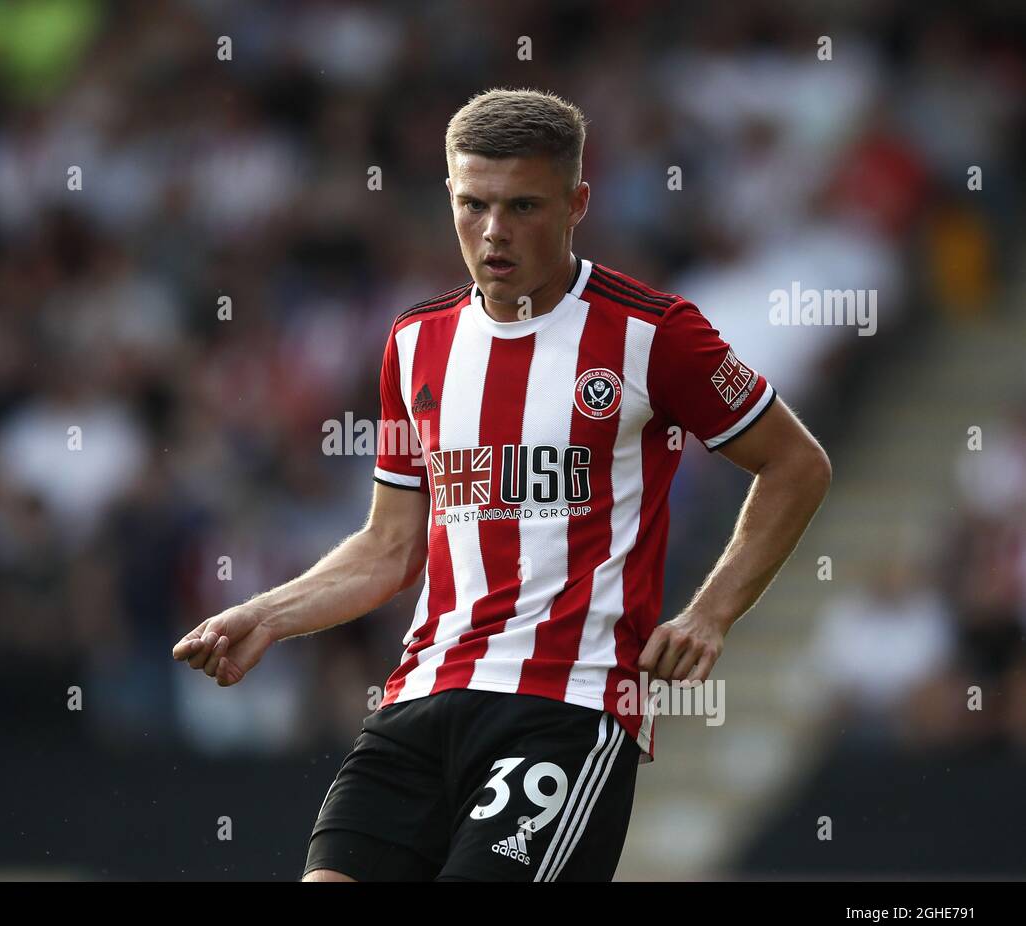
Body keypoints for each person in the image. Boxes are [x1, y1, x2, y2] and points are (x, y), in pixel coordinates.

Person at [172, 88, 832, 881]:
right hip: (417, 699)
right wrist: (265, 615)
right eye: (473, 203)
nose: (493, 231)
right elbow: (388, 546)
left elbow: (796, 463)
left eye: (522, 205)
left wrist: (711, 610)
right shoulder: (416, 343)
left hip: (566, 703)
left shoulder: (652, 334)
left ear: (576, 202)